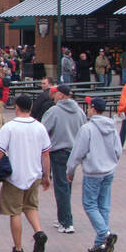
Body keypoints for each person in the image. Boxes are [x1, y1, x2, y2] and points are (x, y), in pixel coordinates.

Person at [0, 93, 51, 252]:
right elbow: (46, 154)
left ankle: (18, 249)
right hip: (34, 173)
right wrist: (46, 175)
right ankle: (39, 232)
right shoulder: (39, 127)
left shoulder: (10, 127)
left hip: (15, 175)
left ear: (16, 107)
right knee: (31, 206)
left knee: (14, 211)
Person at [66, 96, 123, 252]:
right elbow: (118, 150)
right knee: (103, 205)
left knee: (90, 205)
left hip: (93, 172)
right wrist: (112, 162)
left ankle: (105, 233)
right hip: (108, 171)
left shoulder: (87, 129)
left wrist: (70, 170)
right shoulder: (111, 127)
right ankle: (100, 242)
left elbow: (78, 152)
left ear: (92, 109)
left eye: (89, 107)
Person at [42, 84, 87, 232]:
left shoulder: (54, 111)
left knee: (61, 187)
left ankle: (66, 222)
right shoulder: (80, 112)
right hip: (75, 152)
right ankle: (63, 216)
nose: (53, 96)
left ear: (61, 95)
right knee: (67, 185)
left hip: (59, 152)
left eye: (55, 94)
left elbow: (43, 131)